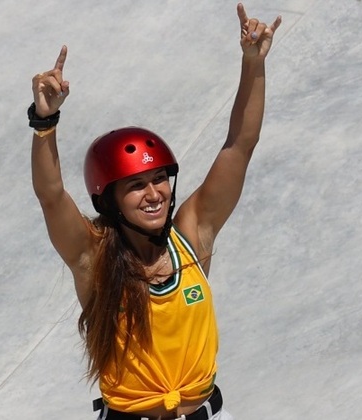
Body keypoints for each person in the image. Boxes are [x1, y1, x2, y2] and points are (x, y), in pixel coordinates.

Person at [29, 4, 281, 419]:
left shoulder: (192, 235)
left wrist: (252, 65)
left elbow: (240, 144)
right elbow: (51, 195)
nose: (154, 194)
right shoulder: (94, 259)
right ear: (108, 200)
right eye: (136, 185)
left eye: (160, 179)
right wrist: (45, 121)